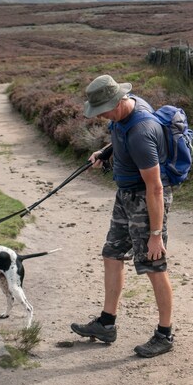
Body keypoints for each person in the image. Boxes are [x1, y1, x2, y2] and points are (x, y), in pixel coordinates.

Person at [70, 74, 175, 358]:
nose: (101, 117)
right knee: (112, 254)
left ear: (116, 102)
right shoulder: (125, 111)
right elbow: (120, 134)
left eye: (102, 111)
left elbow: (155, 188)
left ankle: (164, 335)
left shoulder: (142, 131)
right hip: (125, 196)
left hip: (146, 200)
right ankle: (107, 323)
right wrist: (105, 152)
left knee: (154, 265)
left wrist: (155, 236)